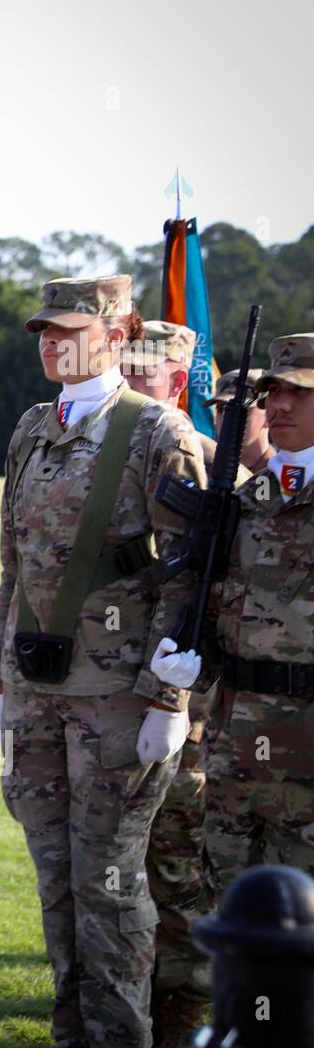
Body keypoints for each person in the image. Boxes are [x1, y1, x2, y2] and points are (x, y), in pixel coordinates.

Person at [0, 275, 207, 1048]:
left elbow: (189, 575)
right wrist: (2, 674)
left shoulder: (156, 432)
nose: (51, 342)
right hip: (40, 684)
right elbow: (14, 561)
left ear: (119, 333)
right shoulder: (33, 428)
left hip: (119, 696)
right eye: (45, 329)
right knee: (56, 872)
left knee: (109, 873)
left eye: (70, 330)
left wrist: (167, 695)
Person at [152, 333, 314, 894]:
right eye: (274, 392)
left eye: (301, 393)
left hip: (307, 740)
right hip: (234, 735)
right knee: (230, 895)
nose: (282, 406)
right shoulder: (244, 502)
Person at [123, 321, 224, 1048]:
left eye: (147, 371)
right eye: (123, 365)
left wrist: (177, 698)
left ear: (178, 380)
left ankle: (183, 1011)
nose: (132, 381)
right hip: (118, 678)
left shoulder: (192, 457)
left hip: (185, 692)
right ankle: (142, 1003)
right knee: (129, 855)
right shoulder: (111, 449)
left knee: (177, 854)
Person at [204, 367, 272, 474]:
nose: (227, 417)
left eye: (240, 409)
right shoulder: (206, 472)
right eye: (222, 408)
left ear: (269, 415)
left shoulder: (279, 474)